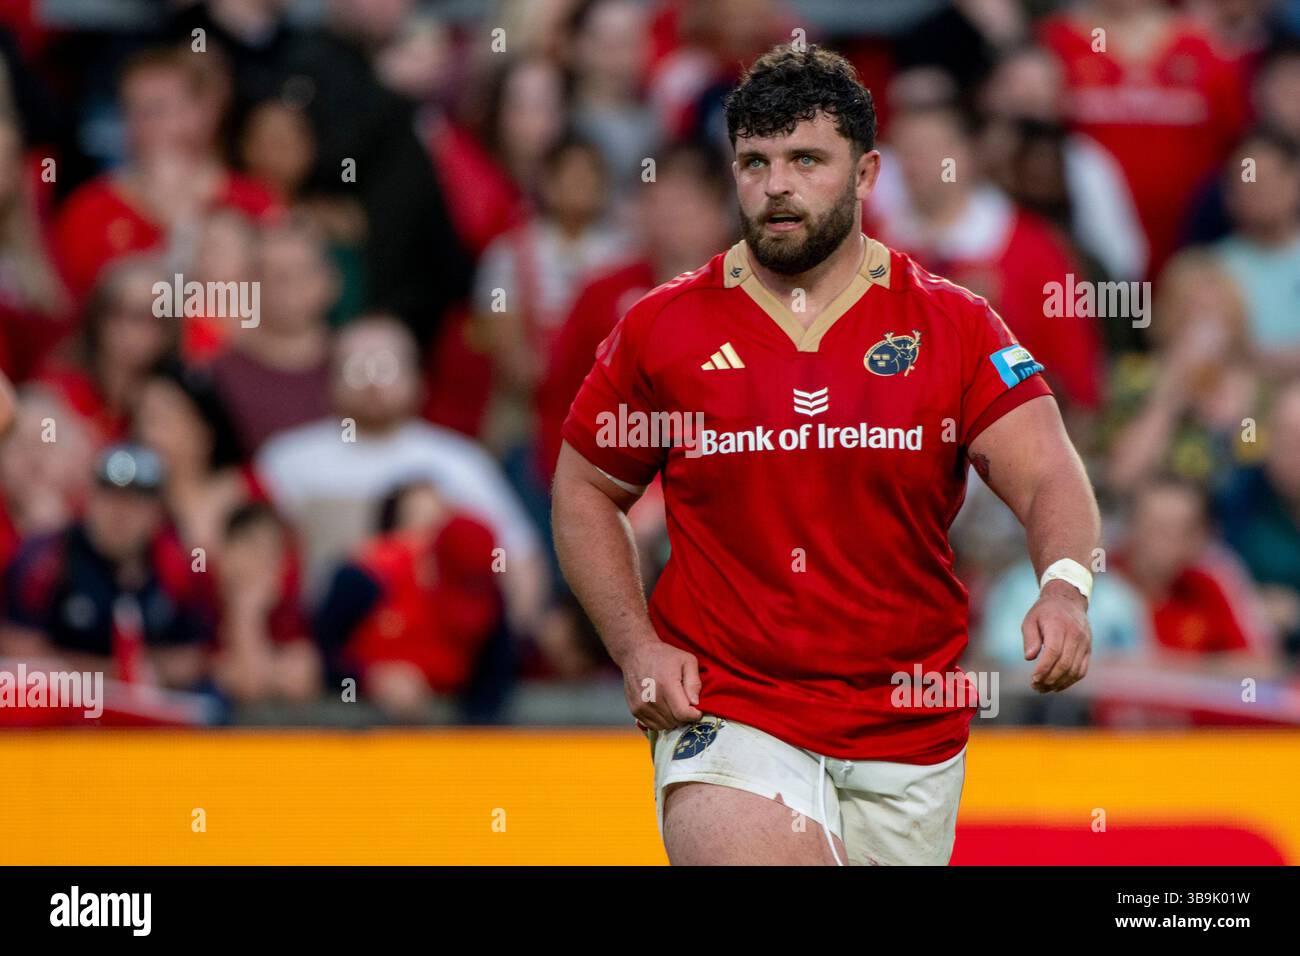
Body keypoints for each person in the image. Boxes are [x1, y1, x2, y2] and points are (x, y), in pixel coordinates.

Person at [552, 45, 1100, 866]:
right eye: (754, 162)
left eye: (806, 159)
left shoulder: (953, 324)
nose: (777, 184)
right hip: (730, 707)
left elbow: (1050, 470)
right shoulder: (662, 329)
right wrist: (636, 647)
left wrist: (1063, 588)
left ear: (868, 173)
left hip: (909, 723)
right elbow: (584, 489)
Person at [254, 315, 547, 633]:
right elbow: (248, 557)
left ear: (418, 380)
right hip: (319, 651)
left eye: (387, 367)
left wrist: (508, 644)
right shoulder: (287, 460)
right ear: (330, 381)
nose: (372, 381)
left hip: (435, 651)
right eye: (356, 368)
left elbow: (518, 557)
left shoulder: (459, 461)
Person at [0, 443, 212, 690]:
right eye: (109, 496)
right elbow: (19, 653)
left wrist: (145, 671)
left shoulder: (178, 566)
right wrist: (115, 676)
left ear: (157, 511)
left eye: (135, 501)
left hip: (149, 711)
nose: (119, 513)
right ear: (88, 499)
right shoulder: (47, 559)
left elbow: (193, 656)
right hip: (59, 708)